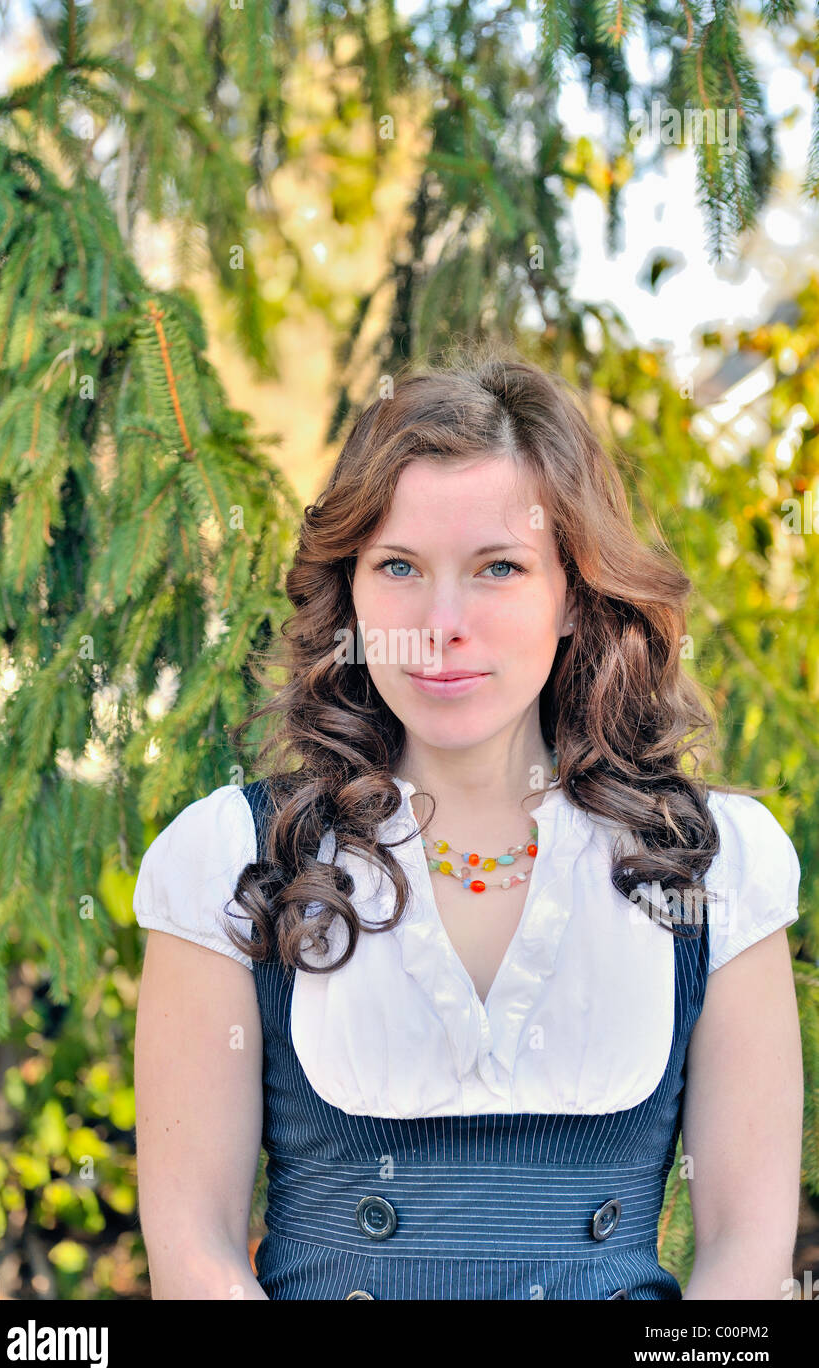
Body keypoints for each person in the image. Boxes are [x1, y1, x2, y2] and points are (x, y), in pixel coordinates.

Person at [133, 351, 803, 1301]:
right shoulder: (233, 860)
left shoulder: (712, 867)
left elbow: (745, 1262)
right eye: (399, 566)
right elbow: (196, 1258)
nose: (442, 624)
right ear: (352, 596)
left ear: (573, 592)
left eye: (498, 567)